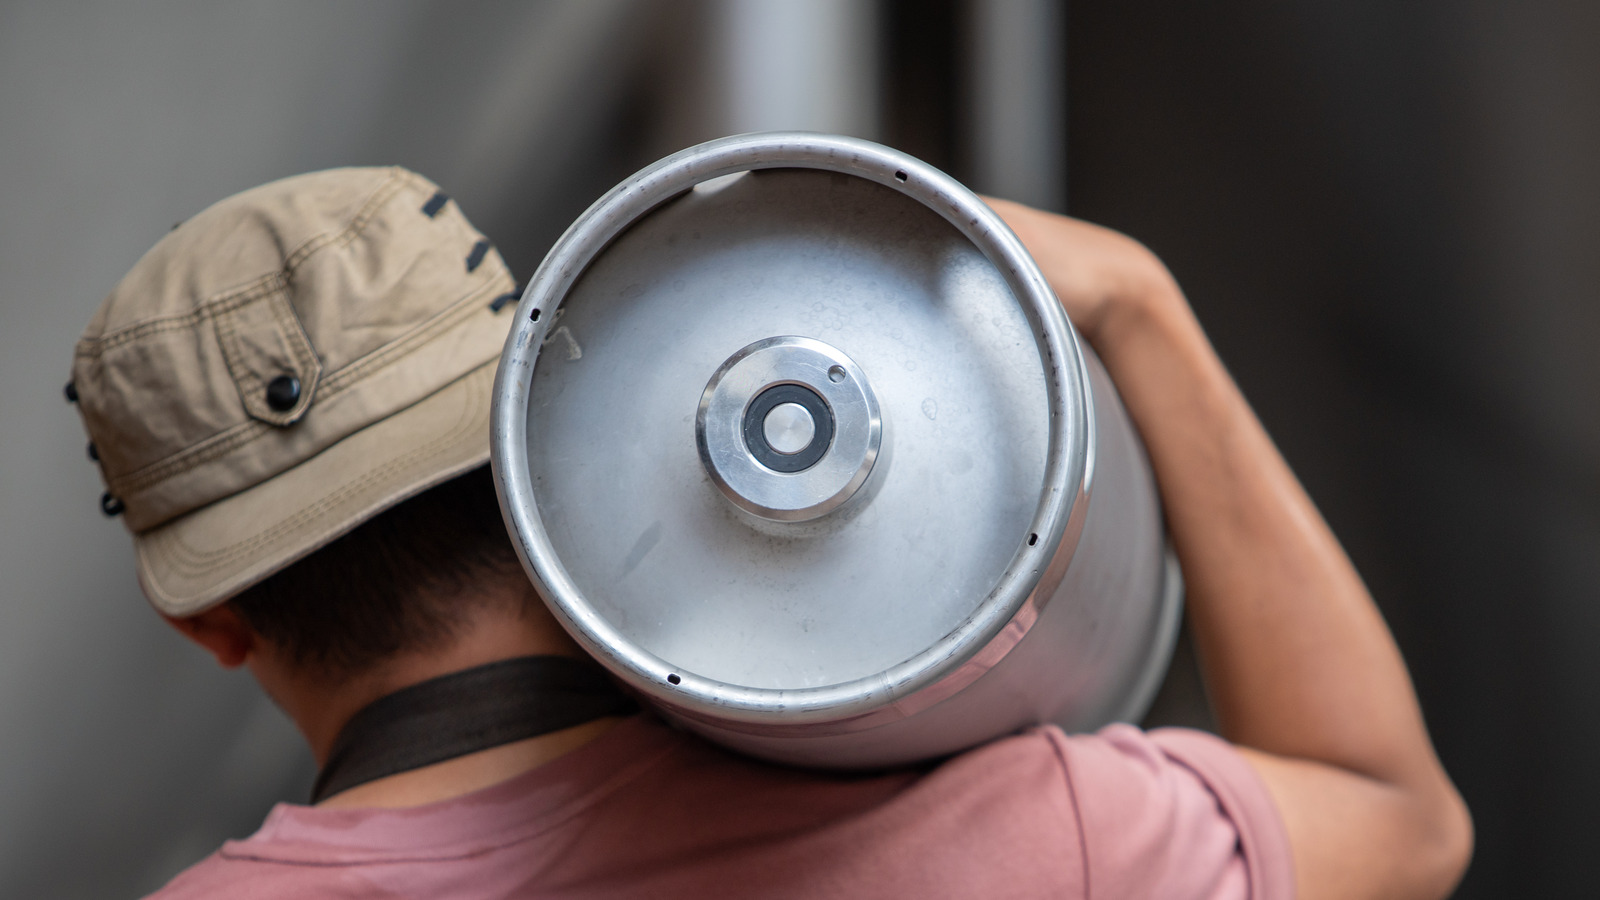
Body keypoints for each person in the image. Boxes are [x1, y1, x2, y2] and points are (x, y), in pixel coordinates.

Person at [69, 167, 1471, 899]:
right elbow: (1398, 822)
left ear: (206, 618)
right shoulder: (1033, 840)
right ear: (558, 430)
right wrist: (1137, 306)